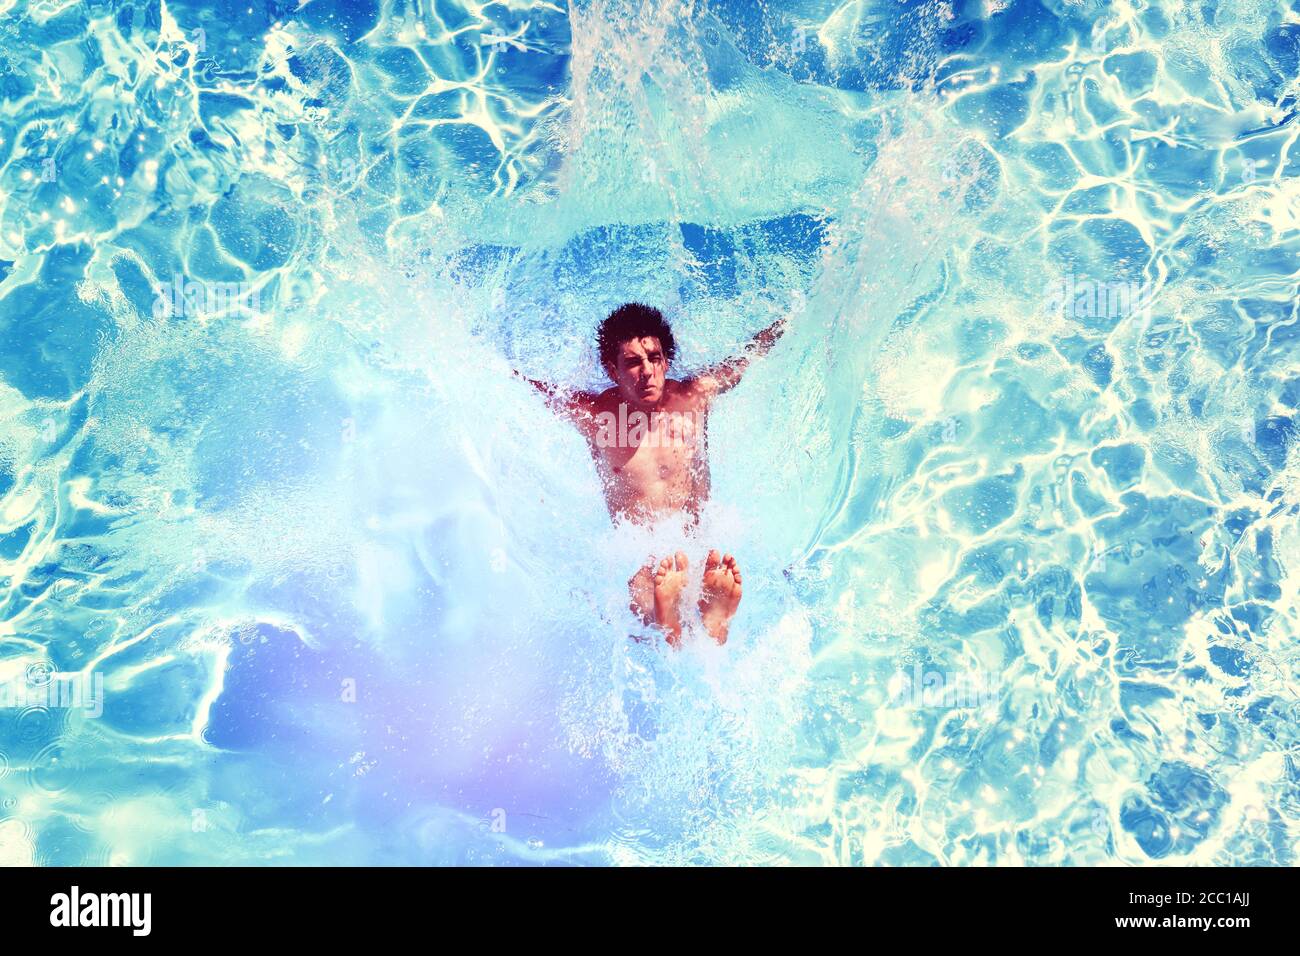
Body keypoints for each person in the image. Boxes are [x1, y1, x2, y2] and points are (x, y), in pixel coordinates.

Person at [515, 302, 787, 645]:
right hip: (641, 549)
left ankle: (707, 620)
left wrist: (794, 318)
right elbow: (527, 388)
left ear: (666, 361)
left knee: (695, 571)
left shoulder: (693, 397)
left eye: (654, 358)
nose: (647, 371)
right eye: (633, 362)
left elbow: (748, 357)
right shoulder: (595, 415)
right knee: (641, 583)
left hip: (697, 537)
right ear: (612, 370)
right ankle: (674, 624)